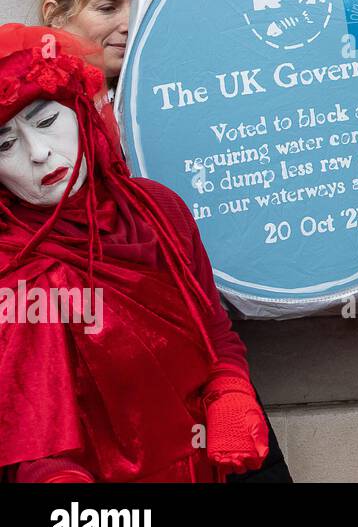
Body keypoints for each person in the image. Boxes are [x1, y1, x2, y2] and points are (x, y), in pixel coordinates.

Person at [34, 0, 293, 482]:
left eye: (140, 6)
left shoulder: (172, 94)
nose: (129, 24)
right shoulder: (26, 119)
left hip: (200, 357)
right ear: (55, 16)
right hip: (83, 394)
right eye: (108, 7)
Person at [0, 25, 268, 482]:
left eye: (47, 122)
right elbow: (31, 433)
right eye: (5, 145)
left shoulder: (157, 208)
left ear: (82, 113)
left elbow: (214, 331)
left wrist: (230, 388)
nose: (39, 152)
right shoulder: (14, 270)